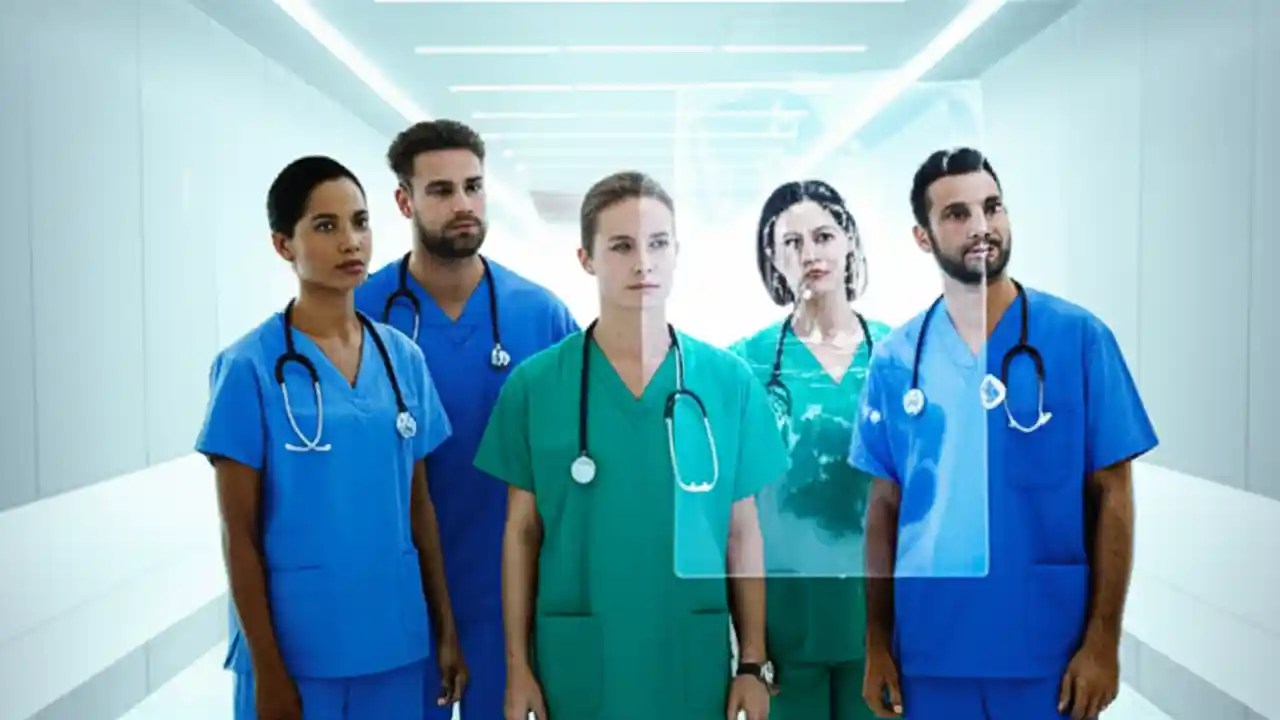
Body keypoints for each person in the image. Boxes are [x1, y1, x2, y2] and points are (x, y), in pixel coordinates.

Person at [849, 147, 1158, 720]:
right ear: (923, 237)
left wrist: (1103, 643)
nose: (982, 227)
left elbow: (1113, 493)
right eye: (957, 214)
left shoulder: (1080, 339)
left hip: (1048, 653)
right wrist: (876, 642)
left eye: (992, 207)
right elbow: (885, 508)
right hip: (931, 655)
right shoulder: (896, 361)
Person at [473, 170, 790, 720]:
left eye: (657, 243)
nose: (643, 262)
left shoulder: (728, 382)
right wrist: (518, 667)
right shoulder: (534, 385)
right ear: (586, 258)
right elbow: (520, 535)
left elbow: (743, 534)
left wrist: (752, 663)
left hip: (688, 656)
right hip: (577, 664)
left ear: (676, 253)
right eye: (621, 246)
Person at [196, 155, 465, 720]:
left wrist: (445, 629)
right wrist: (268, 668)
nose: (352, 242)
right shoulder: (249, 366)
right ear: (282, 244)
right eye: (326, 226)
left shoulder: (402, 361)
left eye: (361, 223)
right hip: (296, 654)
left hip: (394, 642)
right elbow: (237, 534)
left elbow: (419, 509)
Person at [354, 119, 580, 719]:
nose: (464, 205)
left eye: (474, 187)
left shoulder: (541, 316)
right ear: (404, 200)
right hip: (397, 599)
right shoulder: (361, 314)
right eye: (441, 190)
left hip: (507, 597)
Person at [728, 180, 891, 720]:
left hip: (880, 620)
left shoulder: (898, 356)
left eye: (823, 235)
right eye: (791, 243)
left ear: (848, 242)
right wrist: (748, 649)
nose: (810, 253)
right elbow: (733, 507)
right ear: (773, 260)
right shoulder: (744, 367)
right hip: (784, 624)